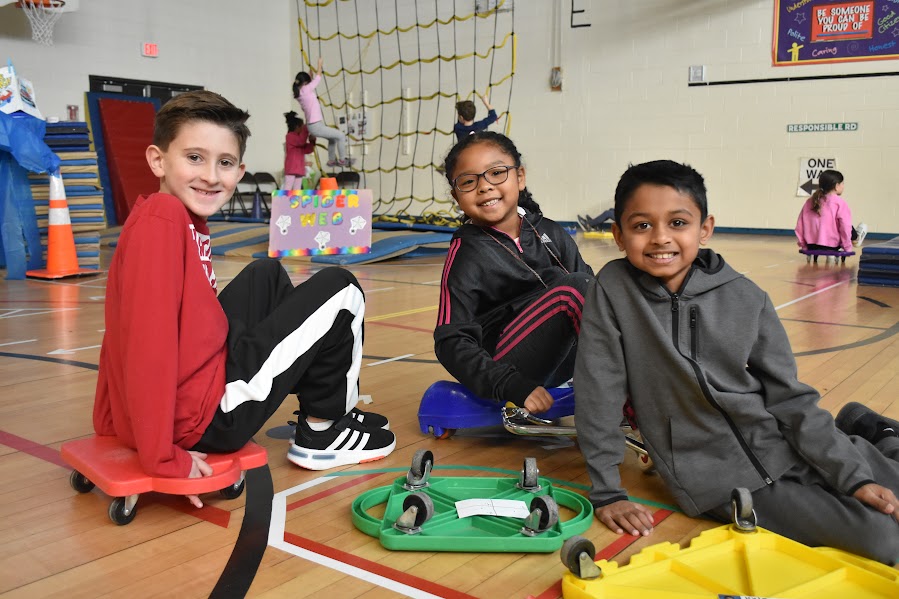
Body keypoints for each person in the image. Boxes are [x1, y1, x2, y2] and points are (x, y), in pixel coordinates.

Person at [574, 159, 899, 564]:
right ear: (618, 234)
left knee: (884, 492)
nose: (660, 238)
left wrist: (852, 477)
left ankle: (872, 438)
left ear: (705, 228)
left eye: (678, 223)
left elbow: (791, 399)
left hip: (781, 442)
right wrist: (607, 491)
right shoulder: (614, 290)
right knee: (886, 541)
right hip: (716, 479)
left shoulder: (746, 297)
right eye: (641, 226)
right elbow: (598, 390)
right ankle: (877, 437)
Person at [93, 91, 395, 507]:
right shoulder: (163, 222)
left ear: (240, 170)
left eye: (225, 163)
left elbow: (119, 329)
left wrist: (112, 419)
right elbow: (147, 344)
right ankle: (326, 427)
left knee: (264, 273)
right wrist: (162, 456)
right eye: (194, 158)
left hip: (194, 392)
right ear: (158, 160)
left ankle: (312, 388)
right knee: (342, 289)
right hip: (204, 420)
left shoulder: (169, 216)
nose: (211, 176)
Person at [434, 131, 594, 414]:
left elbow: (597, 300)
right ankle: (631, 395)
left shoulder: (549, 231)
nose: (484, 187)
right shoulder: (467, 253)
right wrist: (510, 383)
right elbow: (451, 340)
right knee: (574, 289)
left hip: (564, 361)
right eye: (469, 181)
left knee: (601, 288)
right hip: (510, 369)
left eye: (496, 173)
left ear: (519, 177)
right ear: (456, 196)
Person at [292, 57, 353, 167]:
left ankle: (331, 160)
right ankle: (342, 160)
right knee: (341, 136)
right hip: (316, 125)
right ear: (305, 83)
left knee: (332, 139)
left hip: (314, 125)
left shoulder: (300, 93)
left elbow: (310, 86)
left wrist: (309, 76)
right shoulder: (306, 90)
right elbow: (318, 78)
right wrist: (319, 65)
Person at [795, 169, 867, 250]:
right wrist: (847, 246)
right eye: (842, 183)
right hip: (832, 246)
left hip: (811, 245)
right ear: (837, 186)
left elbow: (799, 225)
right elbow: (845, 227)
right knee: (848, 224)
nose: (843, 186)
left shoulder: (810, 201)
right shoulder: (840, 203)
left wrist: (803, 245)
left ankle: (855, 237)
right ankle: (856, 238)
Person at [281, 110, 315, 190]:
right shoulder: (290, 136)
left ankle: (296, 202)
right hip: (291, 168)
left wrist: (312, 141)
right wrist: (306, 129)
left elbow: (308, 149)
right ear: (297, 127)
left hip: (299, 168)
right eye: (302, 127)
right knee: (288, 187)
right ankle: (284, 201)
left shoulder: (299, 141)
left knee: (297, 189)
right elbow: (301, 141)